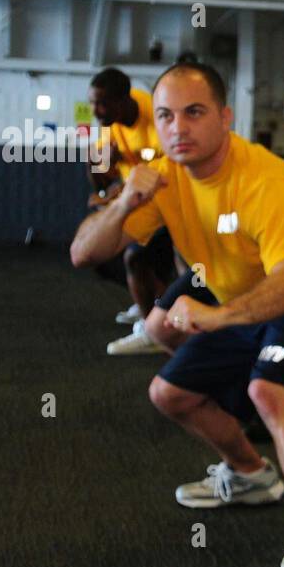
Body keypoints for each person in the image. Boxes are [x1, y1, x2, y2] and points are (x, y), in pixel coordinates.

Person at [70, 61, 284, 567]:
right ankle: (252, 473)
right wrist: (123, 202)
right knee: (170, 393)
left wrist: (219, 318)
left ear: (225, 118)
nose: (178, 128)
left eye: (194, 113)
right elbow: (83, 253)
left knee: (269, 390)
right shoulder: (162, 177)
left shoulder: (265, 180)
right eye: (165, 116)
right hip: (238, 289)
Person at [86, 67, 173, 355]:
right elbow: (100, 174)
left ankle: (154, 330)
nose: (97, 111)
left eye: (102, 103)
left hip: (174, 200)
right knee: (101, 253)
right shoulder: (110, 122)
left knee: (137, 257)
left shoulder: (157, 115)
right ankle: (153, 307)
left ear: (124, 100)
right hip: (140, 202)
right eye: (93, 103)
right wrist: (102, 172)